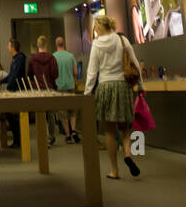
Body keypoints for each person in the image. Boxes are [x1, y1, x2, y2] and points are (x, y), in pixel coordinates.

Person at [84, 13, 142, 180]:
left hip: (105, 87)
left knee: (109, 130)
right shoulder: (121, 40)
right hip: (122, 86)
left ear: (99, 28)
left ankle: (114, 170)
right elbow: (135, 63)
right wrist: (141, 86)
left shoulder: (96, 44)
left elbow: (92, 71)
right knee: (124, 126)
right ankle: (128, 153)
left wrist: (87, 93)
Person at [27, 35, 59, 144]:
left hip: (38, 89)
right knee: (50, 114)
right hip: (49, 88)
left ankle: (43, 136)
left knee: (40, 114)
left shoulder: (32, 59)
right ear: (46, 45)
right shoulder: (52, 58)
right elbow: (55, 74)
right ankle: (51, 136)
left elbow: (30, 75)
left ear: (38, 45)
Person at [0, 37, 27, 149]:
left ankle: (18, 140)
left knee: (15, 117)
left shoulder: (19, 59)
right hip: (13, 90)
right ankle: (17, 140)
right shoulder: (15, 59)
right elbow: (10, 75)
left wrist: (8, 87)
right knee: (11, 117)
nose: (7, 47)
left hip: (17, 91)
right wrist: (1, 82)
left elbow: (14, 76)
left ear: (13, 47)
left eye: (8, 45)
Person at [53, 35, 80, 144]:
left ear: (56, 45)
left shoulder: (53, 57)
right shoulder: (71, 56)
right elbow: (76, 72)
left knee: (62, 113)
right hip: (70, 86)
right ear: (64, 44)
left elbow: (52, 73)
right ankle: (74, 130)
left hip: (59, 88)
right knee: (72, 110)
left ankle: (68, 136)